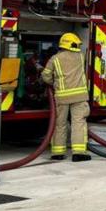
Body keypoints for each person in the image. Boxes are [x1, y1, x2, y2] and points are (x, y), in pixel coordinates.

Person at [41, 33, 91, 162]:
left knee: (59, 124)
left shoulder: (55, 59)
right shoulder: (81, 57)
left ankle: (58, 152)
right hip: (79, 96)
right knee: (78, 123)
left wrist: (54, 83)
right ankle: (79, 152)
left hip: (62, 97)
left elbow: (46, 76)